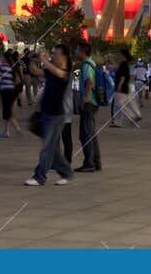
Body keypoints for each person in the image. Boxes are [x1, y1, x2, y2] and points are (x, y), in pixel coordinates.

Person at [25, 44, 74, 186]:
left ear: (64, 56)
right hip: (45, 113)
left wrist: (45, 60)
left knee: (47, 147)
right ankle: (67, 173)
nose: (54, 56)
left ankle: (39, 177)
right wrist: (33, 59)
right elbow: (34, 70)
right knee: (52, 148)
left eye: (56, 54)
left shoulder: (65, 73)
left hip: (56, 115)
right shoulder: (51, 71)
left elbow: (57, 72)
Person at [74, 43, 103, 171]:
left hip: (89, 103)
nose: (75, 51)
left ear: (82, 51)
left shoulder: (86, 64)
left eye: (77, 49)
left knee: (85, 134)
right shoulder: (91, 63)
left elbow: (89, 82)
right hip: (93, 102)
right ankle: (96, 162)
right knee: (91, 133)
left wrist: (85, 98)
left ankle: (89, 163)